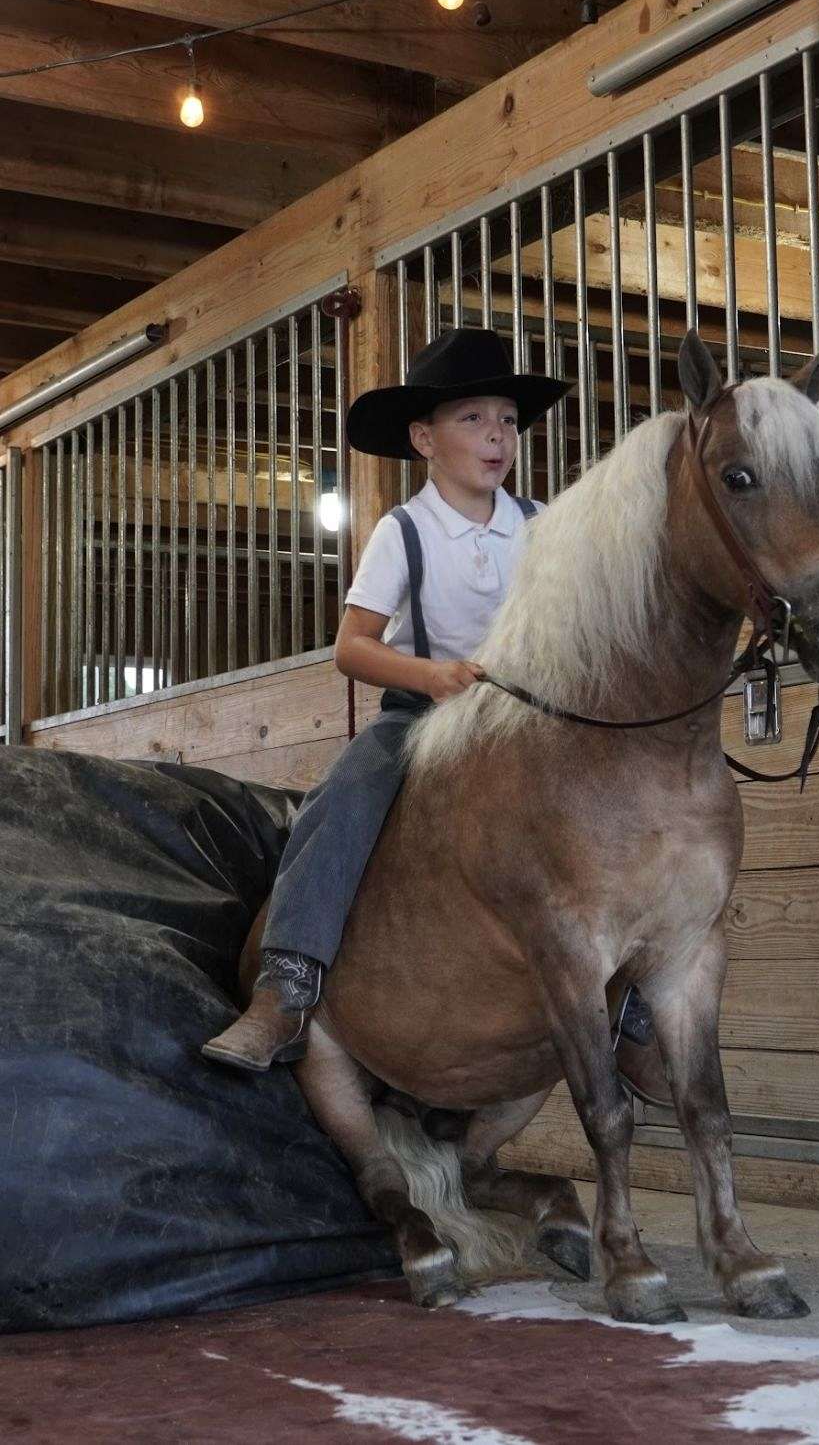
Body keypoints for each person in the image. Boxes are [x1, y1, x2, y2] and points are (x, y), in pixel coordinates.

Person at [201, 327, 671, 1107]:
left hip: (533, 716)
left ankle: (635, 1015)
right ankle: (286, 982)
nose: (497, 435)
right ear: (424, 437)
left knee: (640, 806)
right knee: (346, 794)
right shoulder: (403, 531)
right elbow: (353, 648)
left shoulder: (540, 523)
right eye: (474, 419)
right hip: (426, 713)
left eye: (508, 421)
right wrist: (432, 675)